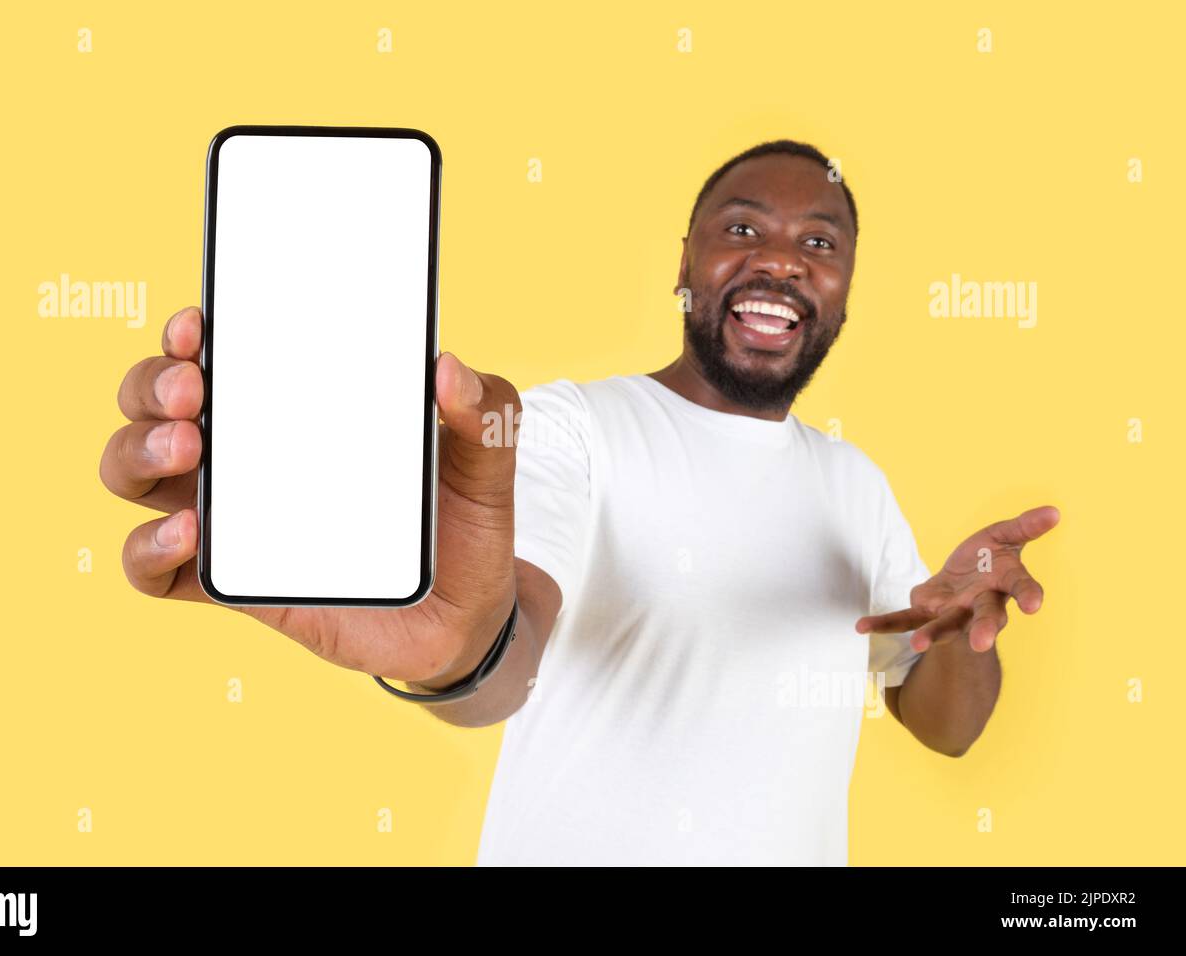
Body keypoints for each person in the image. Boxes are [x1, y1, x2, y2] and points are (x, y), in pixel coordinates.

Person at [99, 139, 1059, 865]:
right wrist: (454, 663)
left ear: (844, 292)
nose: (783, 260)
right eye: (742, 228)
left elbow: (947, 726)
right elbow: (507, 653)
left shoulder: (856, 482)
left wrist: (956, 627)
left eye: (820, 242)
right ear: (683, 265)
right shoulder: (570, 429)